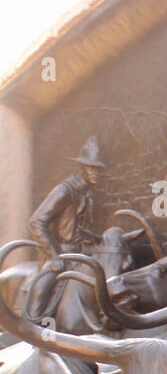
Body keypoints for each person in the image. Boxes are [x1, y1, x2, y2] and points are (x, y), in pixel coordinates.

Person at [26, 136, 106, 319]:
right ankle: (30, 324)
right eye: (90, 167)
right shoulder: (64, 191)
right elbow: (36, 222)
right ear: (81, 168)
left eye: (98, 169)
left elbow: (76, 226)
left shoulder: (86, 192)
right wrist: (53, 255)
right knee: (43, 285)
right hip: (62, 254)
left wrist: (95, 237)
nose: (95, 172)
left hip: (82, 254)